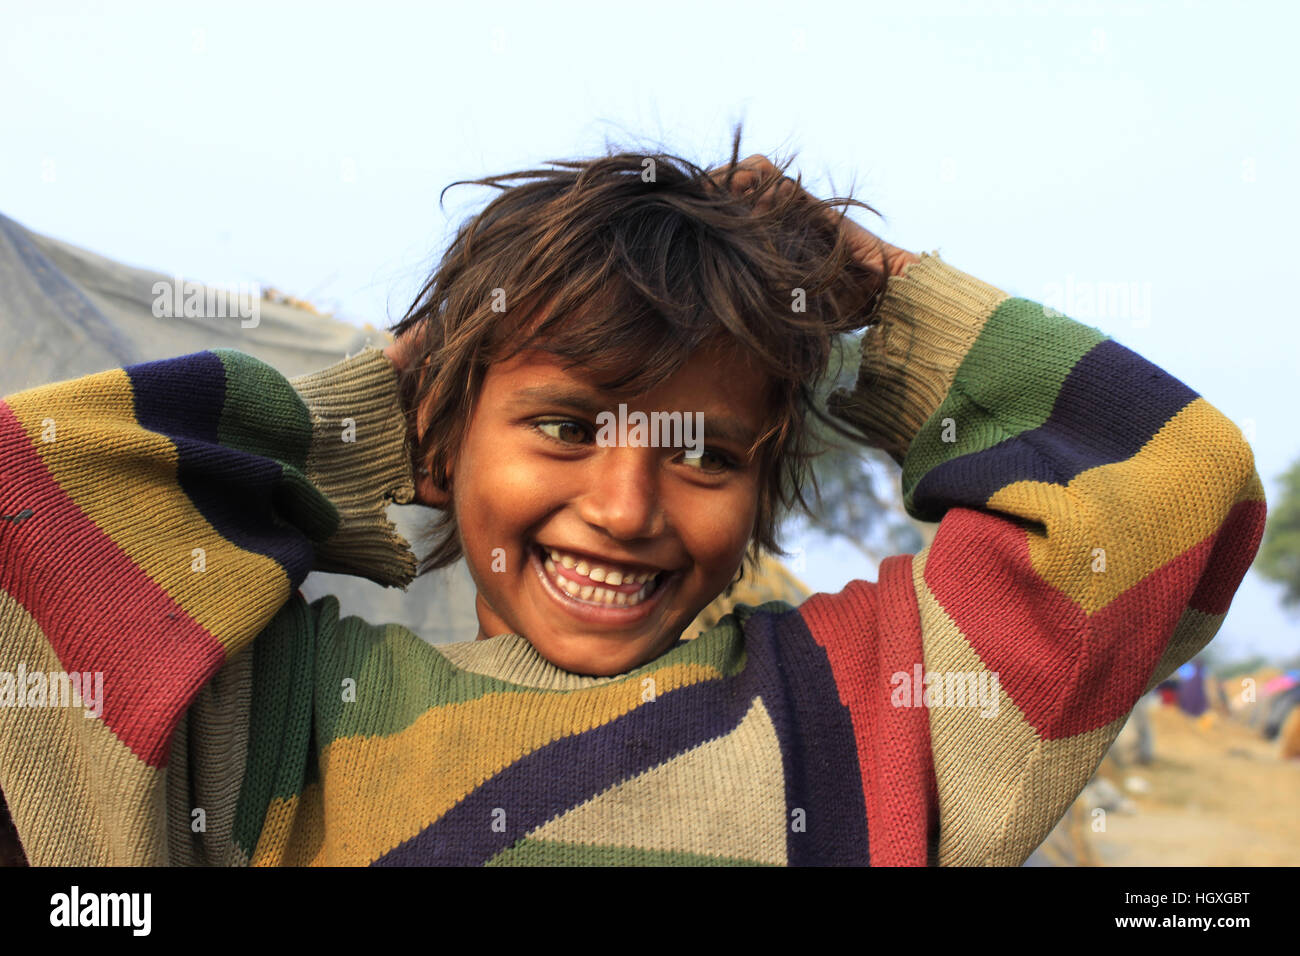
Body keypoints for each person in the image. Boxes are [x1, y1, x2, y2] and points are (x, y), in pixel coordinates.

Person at [0, 132, 1266, 866]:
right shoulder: (279, 724)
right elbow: (24, 503)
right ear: (439, 441)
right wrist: (368, 416)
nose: (622, 504)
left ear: (768, 485)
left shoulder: (862, 710)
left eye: (704, 453)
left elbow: (1170, 486)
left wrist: (886, 291)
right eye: (559, 427)